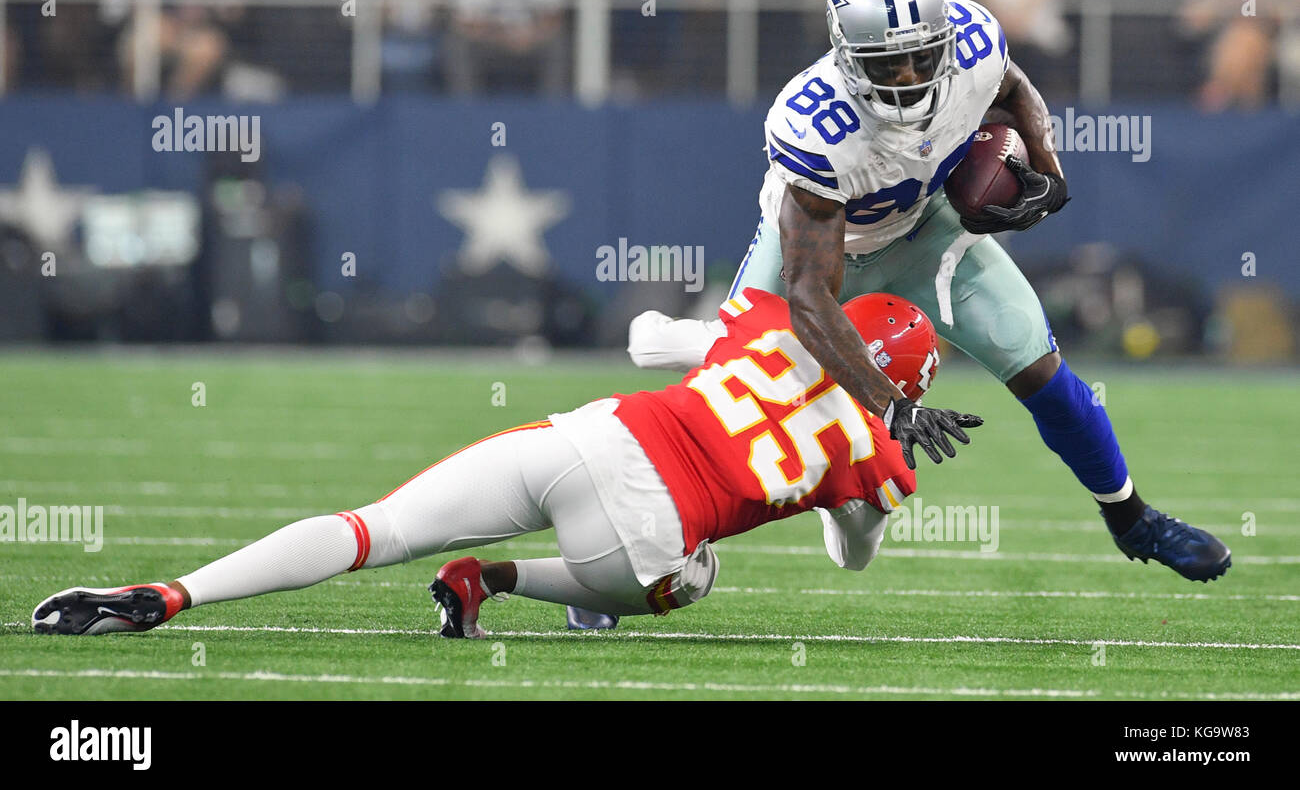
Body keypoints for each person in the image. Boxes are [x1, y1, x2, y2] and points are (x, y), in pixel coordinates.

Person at [612, 0, 1232, 601]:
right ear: (848, 57)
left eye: (921, 56)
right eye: (887, 62)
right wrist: (892, 405)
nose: (909, 76)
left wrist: (1049, 170)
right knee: (718, 411)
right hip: (818, 259)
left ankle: (1133, 520)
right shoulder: (817, 126)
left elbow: (1013, 88)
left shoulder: (972, 44)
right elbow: (807, 297)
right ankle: (630, 561)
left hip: (926, 232)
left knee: (1044, 369)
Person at [31, 290, 978, 639]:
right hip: (641, 544)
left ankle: (168, 595)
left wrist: (715, 337)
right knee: (698, 573)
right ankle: (497, 578)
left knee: (375, 527)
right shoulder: (874, 450)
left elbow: (646, 336)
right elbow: (851, 558)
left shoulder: (774, 326)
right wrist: (855, 484)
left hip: (593, 437)